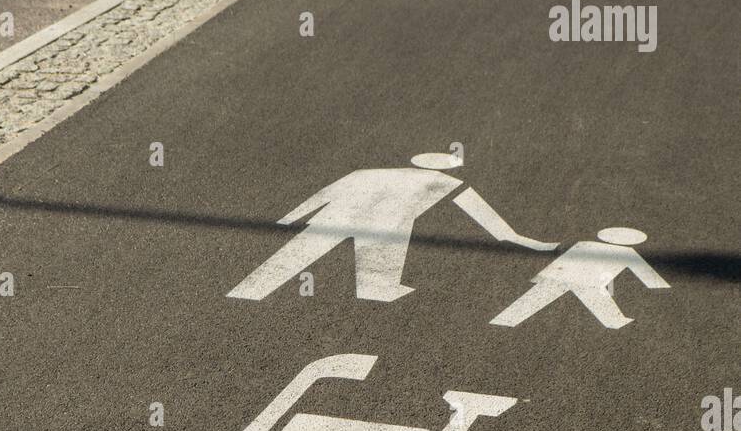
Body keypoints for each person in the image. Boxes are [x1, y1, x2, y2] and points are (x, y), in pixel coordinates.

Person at [228, 150, 557, 302]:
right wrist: (518, 239)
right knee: (377, 281)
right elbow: (486, 219)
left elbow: (324, 195)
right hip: (387, 227)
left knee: (284, 263)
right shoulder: (444, 183)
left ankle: (253, 289)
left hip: (332, 219)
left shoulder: (369, 172)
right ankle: (377, 292)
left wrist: (289, 219)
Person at [490, 227, 669, 329]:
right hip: (592, 283)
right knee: (599, 303)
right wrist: (657, 284)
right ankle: (614, 323)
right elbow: (650, 278)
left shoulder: (584, 243)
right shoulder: (628, 252)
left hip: (558, 276)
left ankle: (506, 319)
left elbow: (565, 258)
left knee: (532, 298)